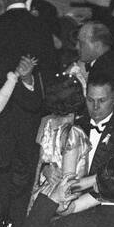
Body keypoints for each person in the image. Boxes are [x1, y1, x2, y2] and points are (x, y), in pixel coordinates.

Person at [28, 76, 91, 212]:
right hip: (61, 206)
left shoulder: (48, 125)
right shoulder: (73, 133)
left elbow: (40, 165)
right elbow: (68, 185)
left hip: (41, 199)